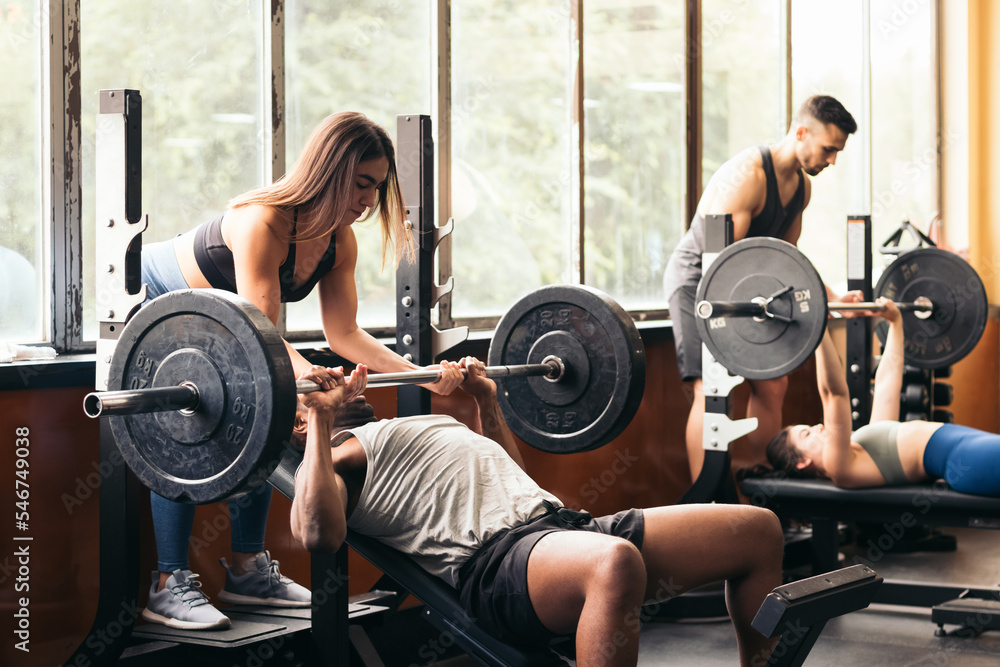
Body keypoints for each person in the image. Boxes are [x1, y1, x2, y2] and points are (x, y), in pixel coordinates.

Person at [140, 112, 464, 630]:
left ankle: (247, 572)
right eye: (361, 183)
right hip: (154, 299)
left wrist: (419, 374)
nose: (368, 199)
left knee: (263, 418)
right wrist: (311, 378)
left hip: (226, 318)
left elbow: (345, 334)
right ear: (330, 171)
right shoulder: (263, 222)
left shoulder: (339, 240)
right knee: (181, 427)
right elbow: (261, 335)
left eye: (377, 188)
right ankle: (167, 582)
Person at [290, 358, 785, 666]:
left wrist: (487, 401)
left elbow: (516, 478)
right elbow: (316, 533)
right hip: (498, 568)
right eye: (316, 388)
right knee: (613, 562)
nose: (334, 381)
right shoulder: (331, 461)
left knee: (757, 530)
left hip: (559, 528)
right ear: (299, 423)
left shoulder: (410, 425)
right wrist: (319, 418)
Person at [662, 94, 860, 482]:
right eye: (828, 149)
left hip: (743, 286)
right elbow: (722, 263)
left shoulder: (801, 187)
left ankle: (769, 485)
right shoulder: (748, 176)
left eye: (837, 151)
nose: (833, 160)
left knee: (773, 383)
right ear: (801, 133)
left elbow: (786, 257)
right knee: (711, 388)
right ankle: (707, 503)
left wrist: (831, 298)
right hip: (698, 281)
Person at [748, 299, 1000, 496]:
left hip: (969, 448)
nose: (819, 427)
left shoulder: (863, 445)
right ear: (802, 461)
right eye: (806, 434)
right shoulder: (839, 467)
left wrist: (895, 323)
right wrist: (818, 330)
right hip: (963, 459)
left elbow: (887, 383)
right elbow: (834, 394)